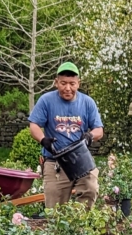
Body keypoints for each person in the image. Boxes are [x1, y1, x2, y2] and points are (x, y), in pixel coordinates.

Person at [28, 61, 104, 208]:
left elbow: (99, 130)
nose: (67, 88)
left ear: (78, 83)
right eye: (63, 83)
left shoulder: (87, 103)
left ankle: (80, 225)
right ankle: (59, 229)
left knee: (90, 188)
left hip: (80, 158)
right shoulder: (46, 101)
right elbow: (34, 125)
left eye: (72, 84)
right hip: (55, 159)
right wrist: (43, 140)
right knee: (55, 206)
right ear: (56, 82)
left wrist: (90, 136)